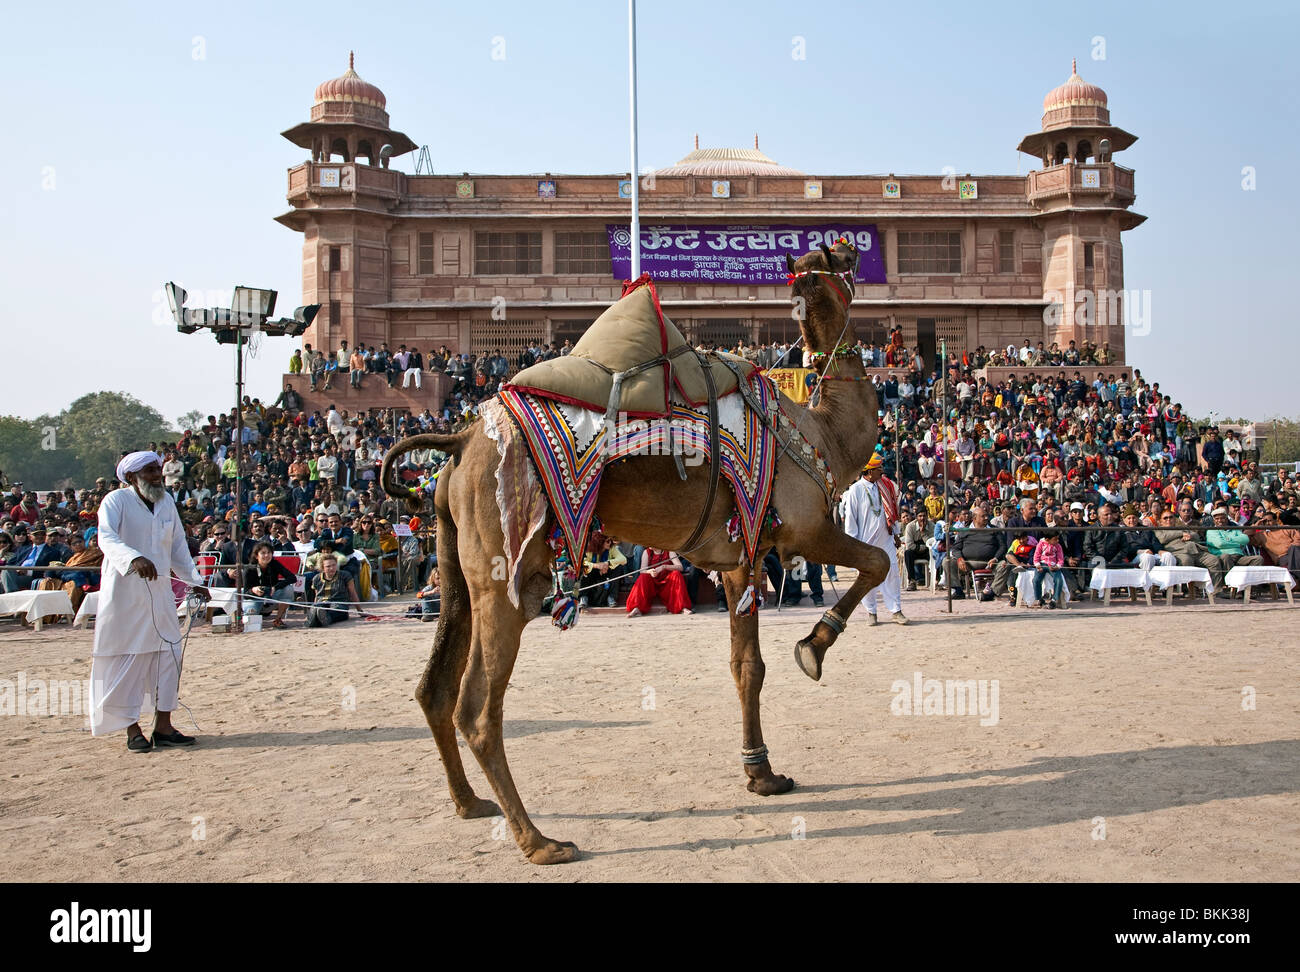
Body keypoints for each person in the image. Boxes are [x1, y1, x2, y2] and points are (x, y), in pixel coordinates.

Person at [87, 452, 211, 753]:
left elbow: (179, 547)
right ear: (132, 477)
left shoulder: (167, 502)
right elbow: (106, 537)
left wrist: (195, 581)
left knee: (169, 656)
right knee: (128, 659)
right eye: (151, 470)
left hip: (160, 594)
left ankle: (164, 727)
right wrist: (133, 557)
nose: (159, 475)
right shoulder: (115, 501)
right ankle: (132, 729)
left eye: (158, 469)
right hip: (125, 593)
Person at [841, 453, 906, 624]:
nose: (882, 472)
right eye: (879, 469)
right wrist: (852, 544)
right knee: (866, 577)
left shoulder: (885, 485)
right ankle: (871, 612)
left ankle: (896, 610)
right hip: (864, 543)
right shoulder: (855, 490)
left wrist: (896, 533)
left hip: (886, 539)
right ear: (869, 471)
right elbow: (851, 519)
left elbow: (892, 510)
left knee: (892, 573)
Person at [243, 541, 297, 628]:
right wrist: (254, 590)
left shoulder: (274, 564)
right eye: (263, 553)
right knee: (251, 613)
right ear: (256, 556)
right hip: (254, 599)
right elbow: (245, 593)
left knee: (288, 589)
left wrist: (275, 588)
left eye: (269, 552)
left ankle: (278, 619)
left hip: (271, 597)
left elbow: (292, 578)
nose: (266, 555)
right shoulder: (249, 569)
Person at [625, 548, 691, 617]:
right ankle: (637, 607)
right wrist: (650, 571)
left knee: (676, 574)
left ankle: (682, 607)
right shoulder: (647, 552)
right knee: (643, 576)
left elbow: (680, 567)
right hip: (652, 582)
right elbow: (642, 570)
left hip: (667, 582)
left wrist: (664, 567)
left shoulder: (669, 551)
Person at [307, 551, 361, 626]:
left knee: (336, 611)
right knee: (317, 608)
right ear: (322, 567)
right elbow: (317, 596)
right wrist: (314, 608)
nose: (332, 568)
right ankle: (313, 619)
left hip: (339, 604)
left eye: (334, 565)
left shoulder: (345, 575)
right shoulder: (316, 578)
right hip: (322, 603)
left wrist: (360, 610)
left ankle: (325, 619)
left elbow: (353, 593)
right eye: (328, 566)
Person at [1031, 530, 1067, 608]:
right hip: (1042, 564)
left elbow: (1061, 559)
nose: (1057, 541)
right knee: (1036, 580)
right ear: (1047, 539)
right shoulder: (1040, 544)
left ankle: (1054, 600)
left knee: (1058, 580)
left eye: (1058, 539)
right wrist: (1038, 565)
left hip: (1053, 565)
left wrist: (1057, 566)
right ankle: (1039, 599)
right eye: (1055, 539)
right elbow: (1036, 556)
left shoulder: (1058, 546)